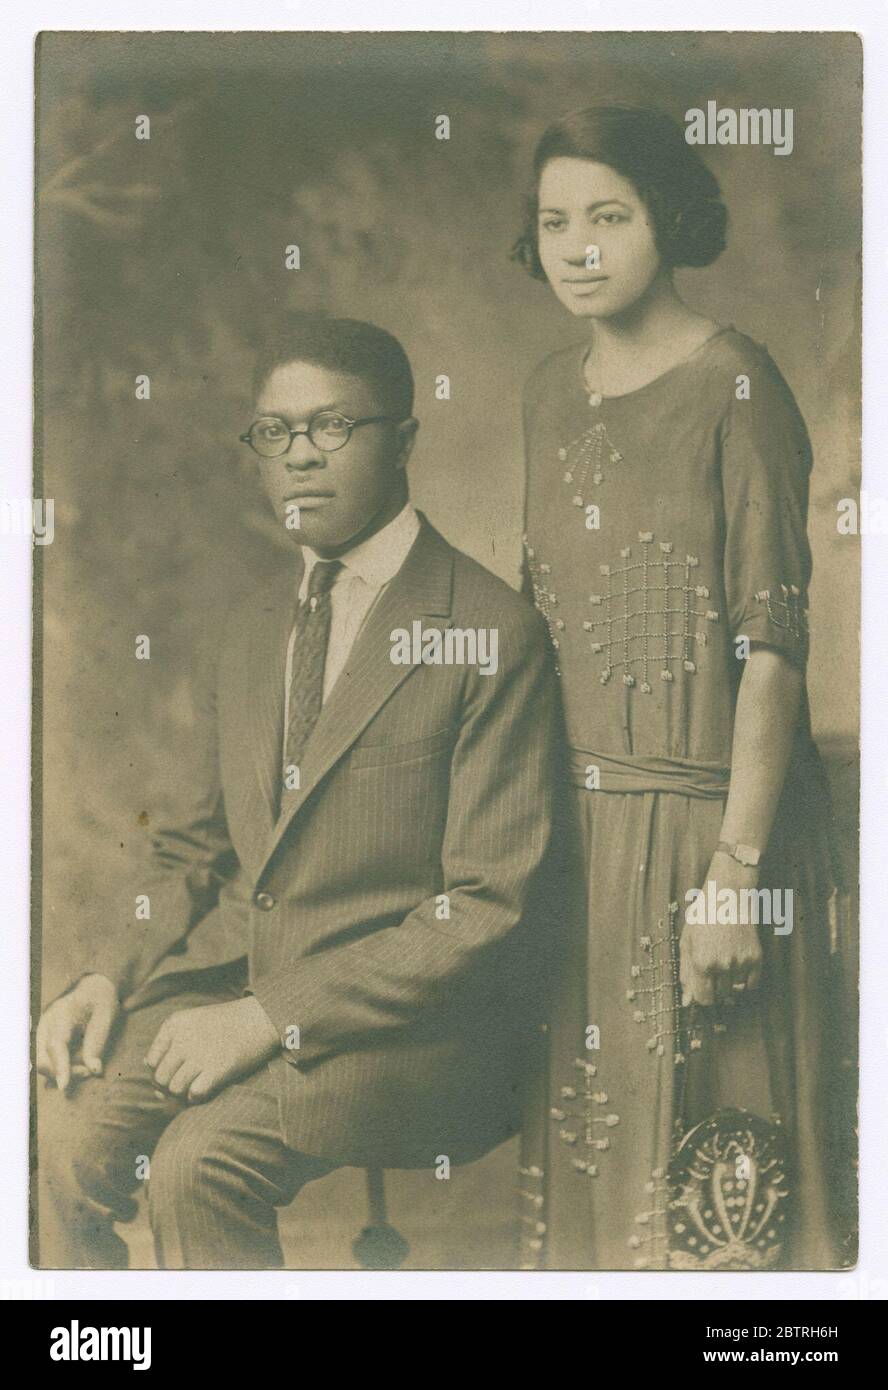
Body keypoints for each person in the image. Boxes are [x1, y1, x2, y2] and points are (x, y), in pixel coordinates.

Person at [35, 313, 557, 1269]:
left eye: (331, 428)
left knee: (199, 1164)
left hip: (412, 1029)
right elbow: (191, 848)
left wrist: (271, 1016)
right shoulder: (252, 626)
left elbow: (485, 908)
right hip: (234, 981)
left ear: (403, 440)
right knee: (52, 1128)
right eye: (273, 434)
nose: (299, 460)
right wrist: (104, 974)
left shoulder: (490, 631)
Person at [512, 104, 849, 1270]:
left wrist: (735, 880)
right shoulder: (547, 392)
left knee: (724, 1208)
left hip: (718, 833)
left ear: (669, 218)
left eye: (610, 215)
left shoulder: (737, 382)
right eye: (556, 221)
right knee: (600, 1182)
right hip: (581, 846)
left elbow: (775, 648)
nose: (579, 246)